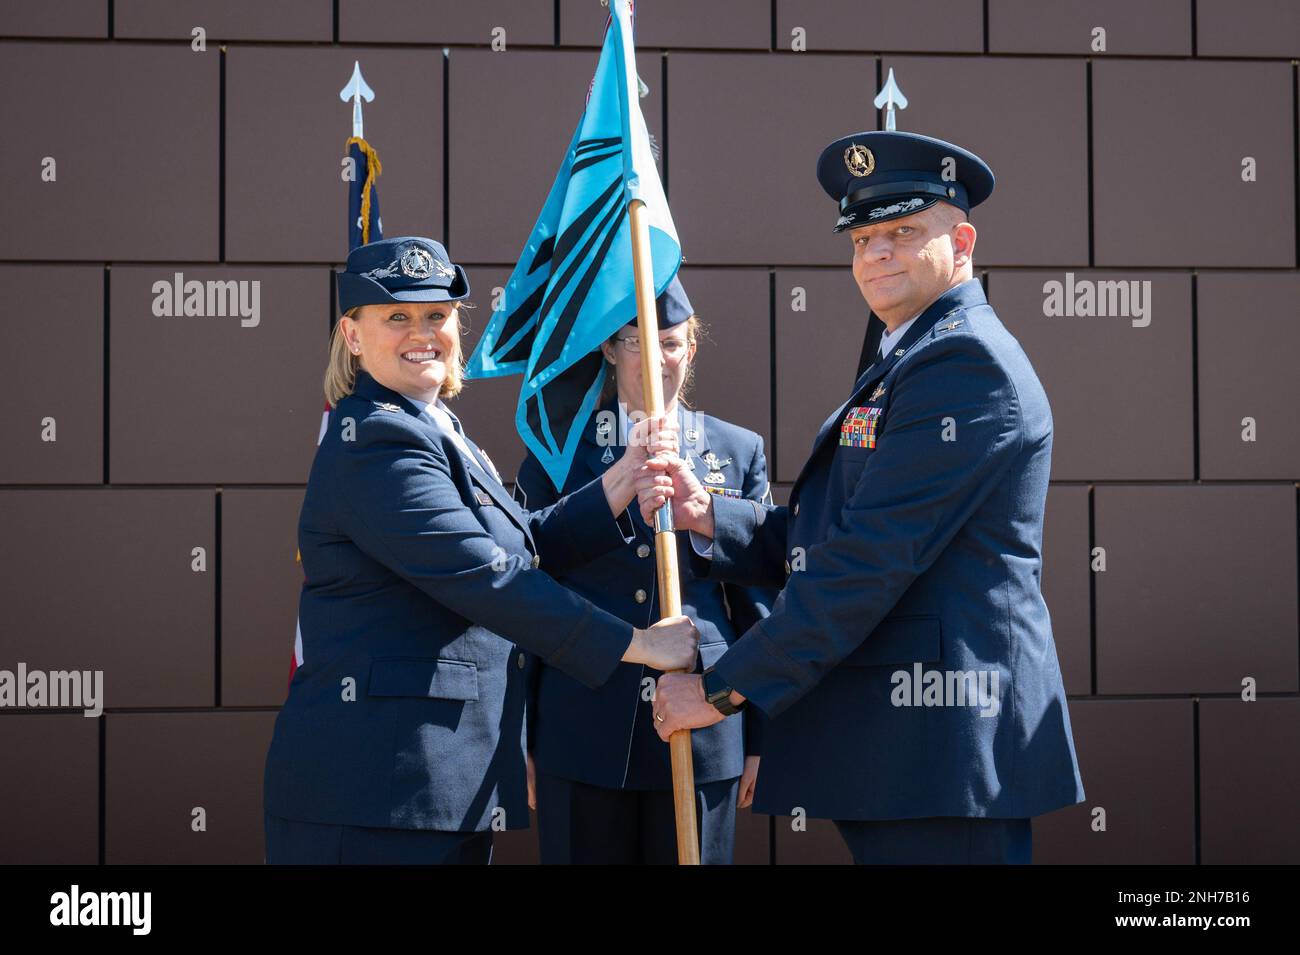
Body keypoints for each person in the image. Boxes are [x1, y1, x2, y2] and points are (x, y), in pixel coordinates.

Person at [640, 132, 1086, 865]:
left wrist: (721, 690)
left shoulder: (963, 362)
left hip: (943, 749)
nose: (877, 253)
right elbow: (839, 533)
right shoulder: (913, 349)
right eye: (864, 236)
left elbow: (866, 563)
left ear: (962, 240)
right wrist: (711, 516)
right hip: (911, 754)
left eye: (904, 232)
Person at [262, 236, 698, 864]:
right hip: (374, 794)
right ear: (352, 336)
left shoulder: (431, 424)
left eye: (438, 315)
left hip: (431, 788)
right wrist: (640, 646)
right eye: (397, 317)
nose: (424, 332)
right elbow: (483, 578)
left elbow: (517, 549)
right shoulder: (376, 440)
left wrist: (620, 481)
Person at [515, 277, 773, 865]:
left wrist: (760, 734)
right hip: (581, 724)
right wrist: (523, 732)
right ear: (608, 348)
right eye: (636, 342)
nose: (657, 359)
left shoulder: (736, 449)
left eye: (673, 343)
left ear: (693, 348)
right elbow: (526, 584)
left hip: (703, 729)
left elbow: (757, 603)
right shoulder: (558, 451)